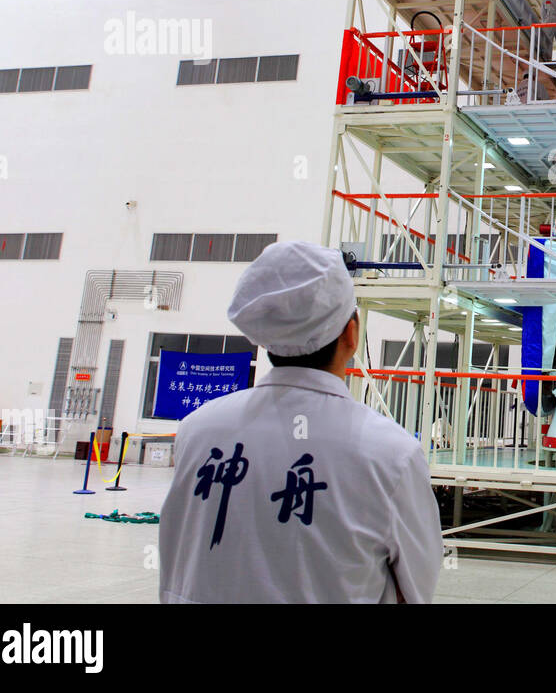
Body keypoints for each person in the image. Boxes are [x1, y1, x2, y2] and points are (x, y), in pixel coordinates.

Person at [158, 240, 444, 603]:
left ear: (264, 337)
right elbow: (416, 588)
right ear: (352, 334)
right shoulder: (392, 455)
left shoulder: (197, 430)